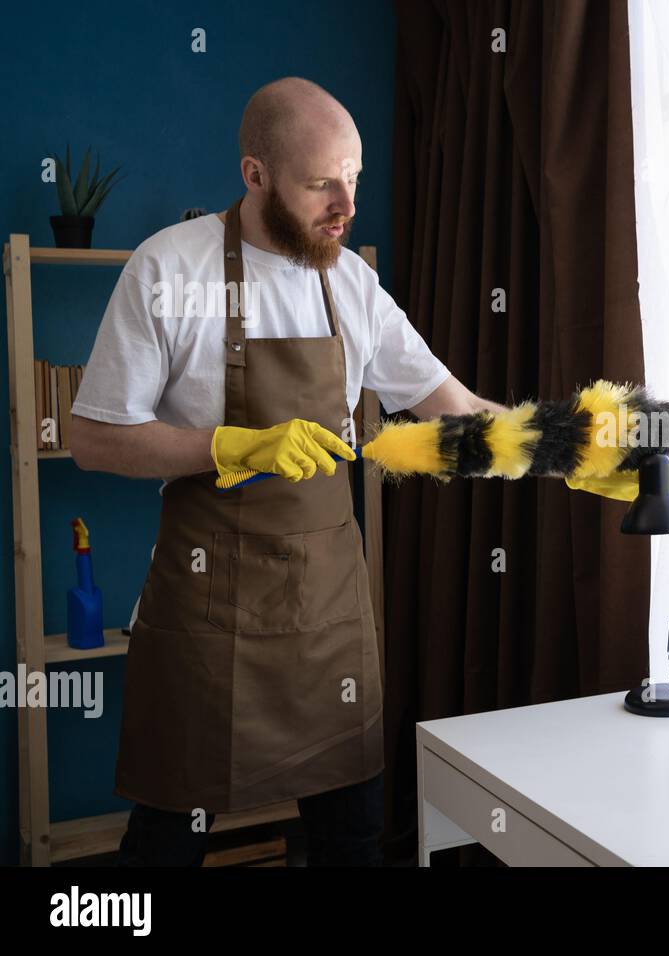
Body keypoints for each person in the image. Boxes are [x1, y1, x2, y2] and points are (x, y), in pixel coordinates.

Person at [68, 76, 509, 866]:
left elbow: (458, 407)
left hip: (325, 614)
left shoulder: (354, 285)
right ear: (256, 175)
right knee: (166, 841)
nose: (345, 203)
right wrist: (228, 447)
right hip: (206, 610)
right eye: (321, 185)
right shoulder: (169, 270)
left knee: (352, 836)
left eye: (356, 178)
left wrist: (578, 447)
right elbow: (95, 439)